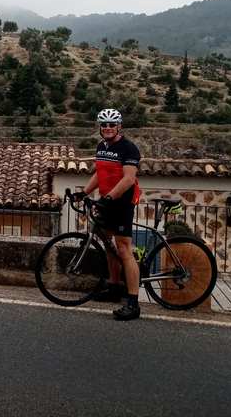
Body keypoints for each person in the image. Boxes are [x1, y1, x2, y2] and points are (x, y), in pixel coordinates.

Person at [74, 108, 142, 321]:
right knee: (107, 243)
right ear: (100, 127)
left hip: (122, 204)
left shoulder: (129, 148)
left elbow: (129, 179)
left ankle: (133, 303)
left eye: (112, 124)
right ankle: (114, 286)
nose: (108, 128)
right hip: (107, 202)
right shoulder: (101, 146)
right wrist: (83, 193)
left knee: (123, 249)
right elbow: (99, 173)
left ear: (119, 126)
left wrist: (110, 197)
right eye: (104, 124)